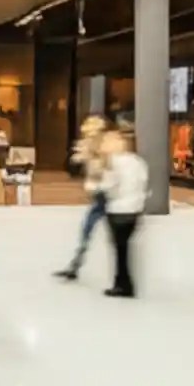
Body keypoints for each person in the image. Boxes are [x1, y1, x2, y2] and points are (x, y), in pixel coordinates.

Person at [55, 115, 109, 280]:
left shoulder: (107, 149)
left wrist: (91, 156)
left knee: (114, 235)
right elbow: (77, 161)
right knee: (88, 229)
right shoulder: (90, 148)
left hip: (110, 195)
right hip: (101, 195)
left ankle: (76, 265)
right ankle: (75, 265)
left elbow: (106, 172)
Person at [95, 129, 147, 298]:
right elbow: (143, 182)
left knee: (119, 250)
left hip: (117, 210)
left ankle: (122, 284)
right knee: (124, 248)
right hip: (134, 210)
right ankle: (125, 284)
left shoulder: (114, 162)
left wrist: (99, 189)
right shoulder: (138, 162)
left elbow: (109, 186)